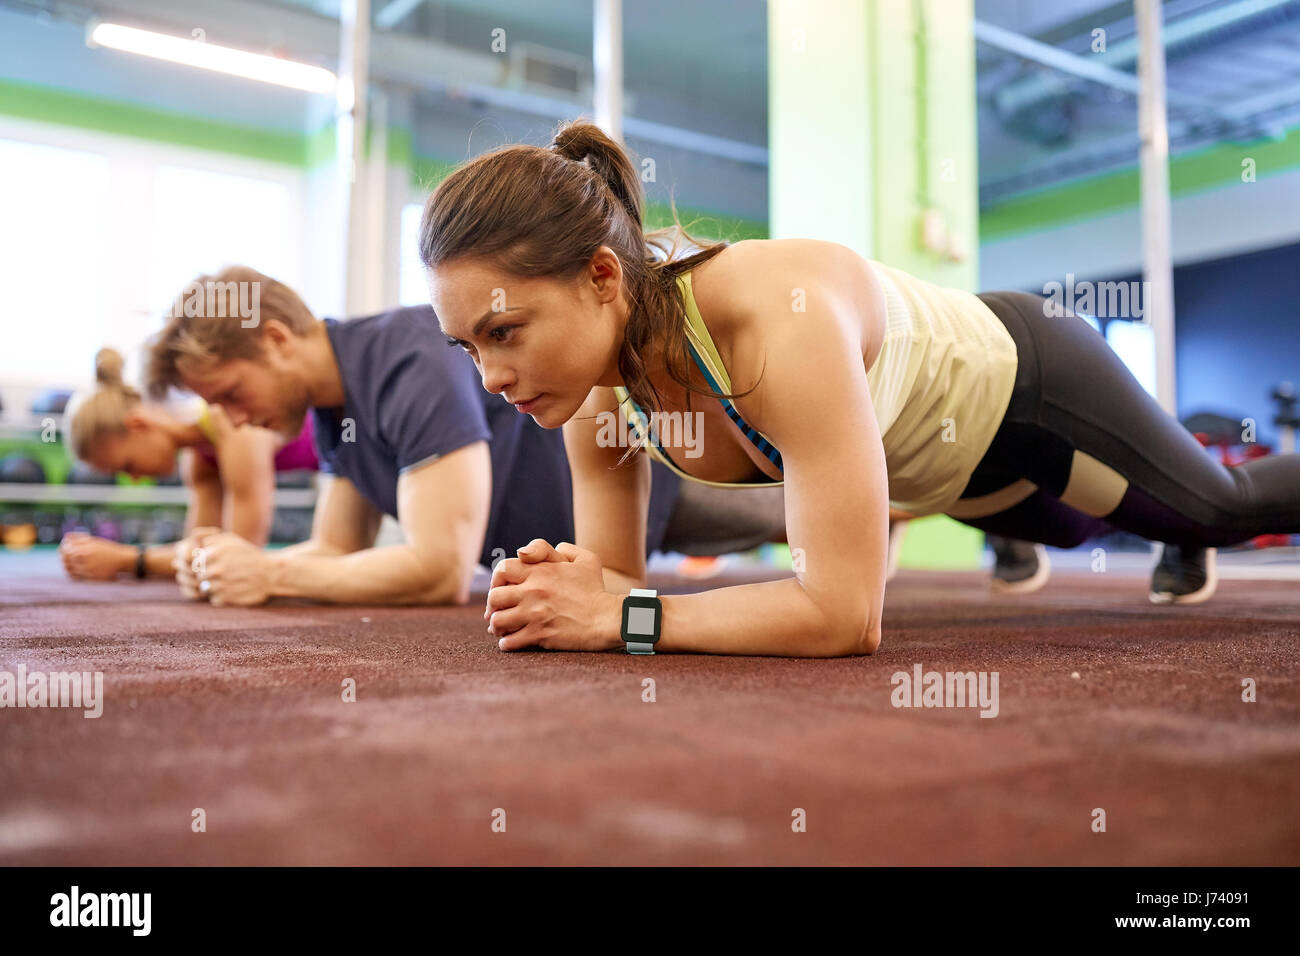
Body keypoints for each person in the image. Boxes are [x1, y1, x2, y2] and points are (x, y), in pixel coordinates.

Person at [418, 120, 1300, 656]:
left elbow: (842, 616)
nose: (490, 377)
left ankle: (1173, 494)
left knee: (1208, 508)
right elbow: (611, 588)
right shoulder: (595, 401)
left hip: (1032, 387)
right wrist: (560, 592)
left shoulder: (771, 322)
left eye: (504, 332)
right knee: (1079, 525)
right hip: (949, 478)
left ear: (603, 276)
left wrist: (630, 619)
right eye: (466, 347)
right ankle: (1090, 509)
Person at [143, 266, 784, 606]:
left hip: (646, 484)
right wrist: (236, 568)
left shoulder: (404, 358)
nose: (229, 419)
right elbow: (335, 549)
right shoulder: (332, 408)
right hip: (586, 533)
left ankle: (889, 483)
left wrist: (271, 578)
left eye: (229, 394)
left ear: (276, 342)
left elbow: (438, 571)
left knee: (815, 508)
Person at [59, 347, 316, 581]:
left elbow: (242, 552)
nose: (136, 478)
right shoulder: (198, 458)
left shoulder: (233, 423)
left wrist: (129, 559)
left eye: (129, 465)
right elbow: (199, 553)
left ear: (139, 425)